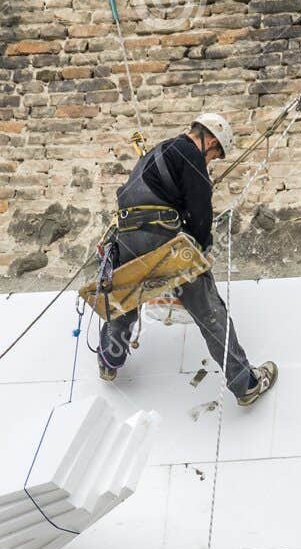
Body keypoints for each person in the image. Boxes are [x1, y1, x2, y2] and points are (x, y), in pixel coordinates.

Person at [95, 113, 277, 406]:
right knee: (208, 310)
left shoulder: (157, 152)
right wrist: (202, 249)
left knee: (125, 297)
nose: (213, 160)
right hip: (162, 236)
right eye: (216, 154)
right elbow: (200, 213)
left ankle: (109, 360)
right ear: (211, 141)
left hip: (125, 237)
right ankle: (246, 383)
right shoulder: (191, 155)